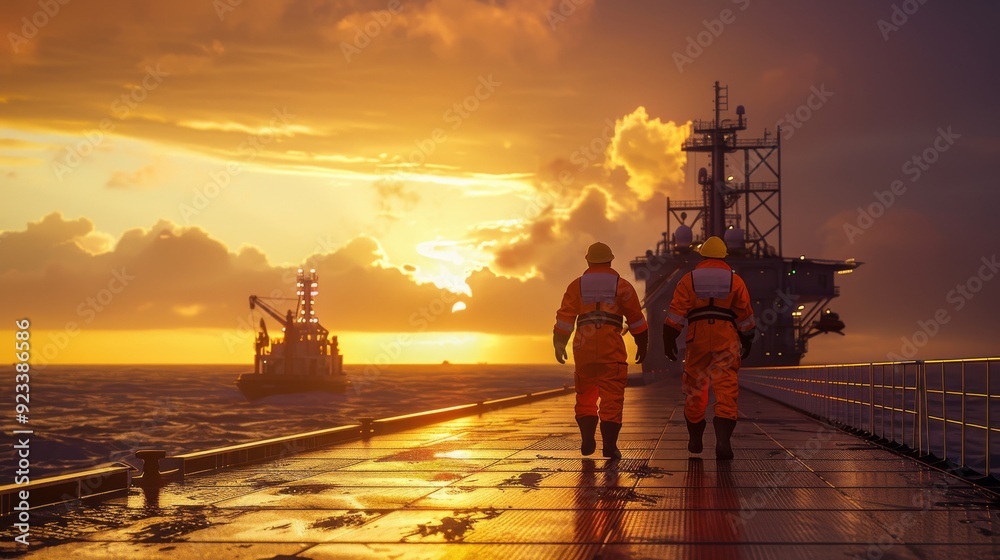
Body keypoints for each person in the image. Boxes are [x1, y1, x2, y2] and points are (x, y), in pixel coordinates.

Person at [662, 236, 756, 460]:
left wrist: (669, 339)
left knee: (695, 388)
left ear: (702, 255)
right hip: (726, 336)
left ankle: (695, 439)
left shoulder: (688, 279)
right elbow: (745, 315)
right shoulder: (735, 281)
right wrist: (747, 340)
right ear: (724, 256)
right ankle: (723, 442)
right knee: (726, 388)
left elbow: (676, 314)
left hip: (698, 335)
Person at [554, 242, 649, 459]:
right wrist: (643, 343)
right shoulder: (622, 286)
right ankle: (609, 446)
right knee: (612, 398)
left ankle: (587, 438)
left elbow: (565, 319)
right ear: (610, 260)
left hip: (584, 348)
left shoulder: (575, 286)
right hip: (611, 348)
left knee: (585, 394)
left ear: (588, 260)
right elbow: (635, 319)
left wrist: (559, 343)